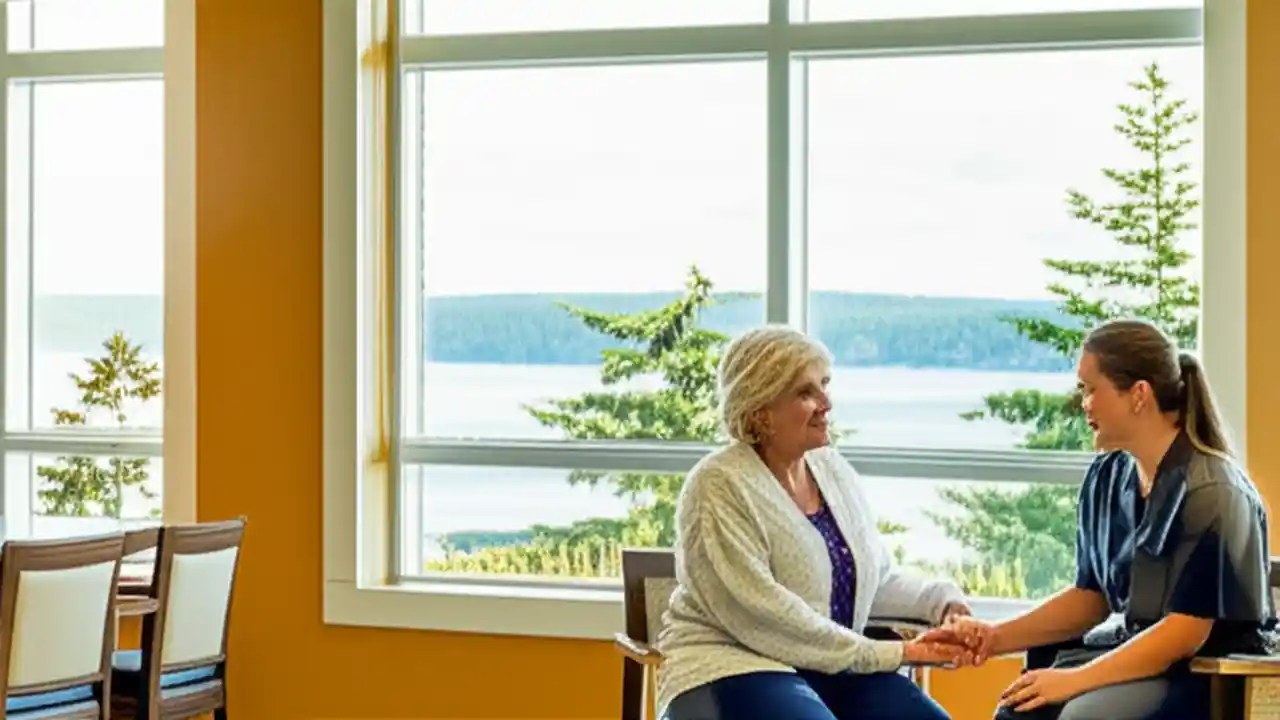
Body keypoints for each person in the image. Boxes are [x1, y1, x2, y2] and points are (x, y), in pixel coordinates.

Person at [948, 319, 1273, 720]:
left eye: (1090, 390)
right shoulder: (1107, 477)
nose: (1082, 404)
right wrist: (993, 637)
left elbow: (1184, 633)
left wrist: (1075, 679)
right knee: (1020, 710)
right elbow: (1091, 599)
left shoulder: (1214, 493)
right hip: (1134, 659)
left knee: (1082, 716)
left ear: (1139, 395)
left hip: (1203, 675)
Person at [655, 325, 972, 720]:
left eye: (824, 385)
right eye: (805, 393)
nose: (826, 403)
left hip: (832, 665)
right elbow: (763, 614)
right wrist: (896, 652)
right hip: (733, 666)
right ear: (760, 412)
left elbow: (869, 581)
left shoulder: (831, 469)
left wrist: (943, 603)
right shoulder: (718, 484)